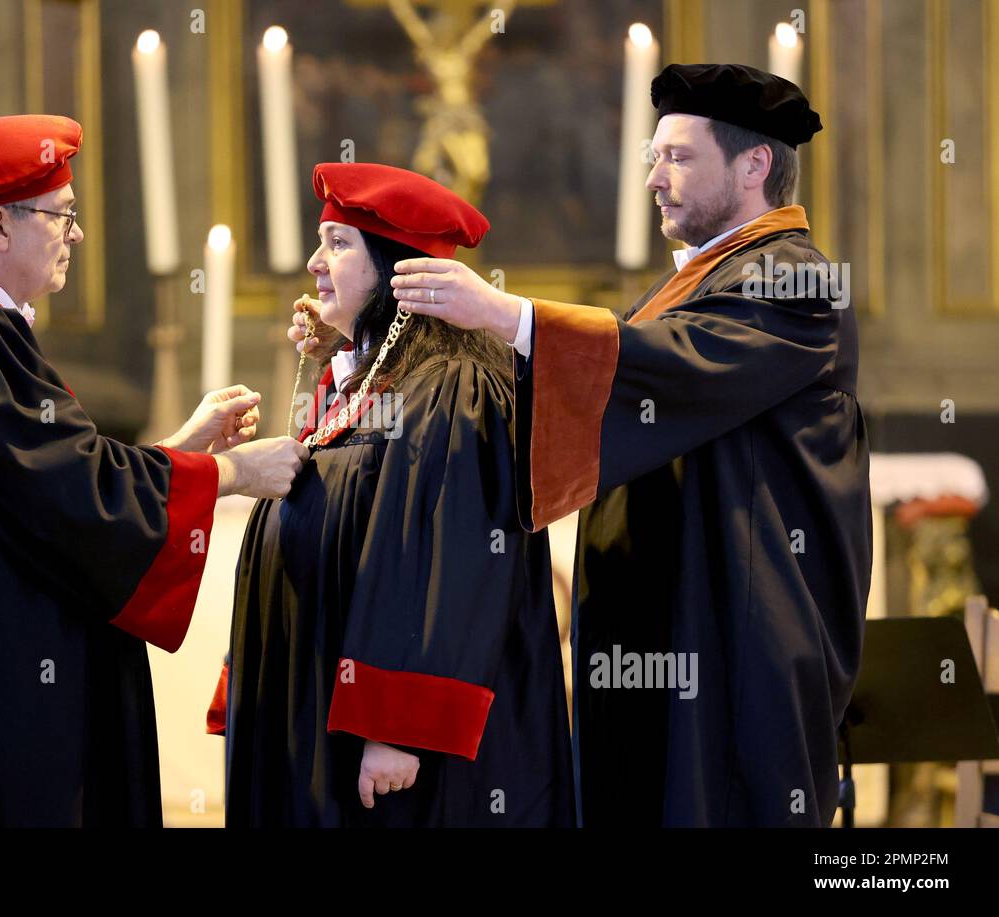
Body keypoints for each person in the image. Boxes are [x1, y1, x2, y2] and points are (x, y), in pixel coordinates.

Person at [373, 64, 872, 827]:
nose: (652, 178)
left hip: (739, 642)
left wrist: (507, 314)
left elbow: (667, 366)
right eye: (652, 155)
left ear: (755, 165)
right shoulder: (690, 284)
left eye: (676, 156)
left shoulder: (796, 281)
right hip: (668, 630)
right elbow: (604, 385)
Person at [0, 114, 308, 827]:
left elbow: (38, 485)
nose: (76, 234)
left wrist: (182, 450)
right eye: (62, 216)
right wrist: (231, 473)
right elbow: (70, 494)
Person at [213, 162, 574, 827]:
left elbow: (446, 556)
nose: (316, 263)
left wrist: (398, 725)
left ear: (399, 266)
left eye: (339, 244)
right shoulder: (365, 380)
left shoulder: (456, 383)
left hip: (398, 745)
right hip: (329, 706)